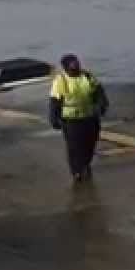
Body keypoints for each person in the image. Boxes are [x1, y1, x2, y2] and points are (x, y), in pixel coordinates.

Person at [48, 54, 109, 182]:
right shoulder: (61, 81)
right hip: (71, 119)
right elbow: (54, 102)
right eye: (72, 66)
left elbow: (99, 92)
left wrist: (102, 105)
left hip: (90, 116)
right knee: (74, 146)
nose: (76, 67)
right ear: (66, 68)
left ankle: (86, 163)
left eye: (77, 64)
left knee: (91, 142)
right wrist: (54, 119)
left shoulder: (87, 76)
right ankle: (76, 170)